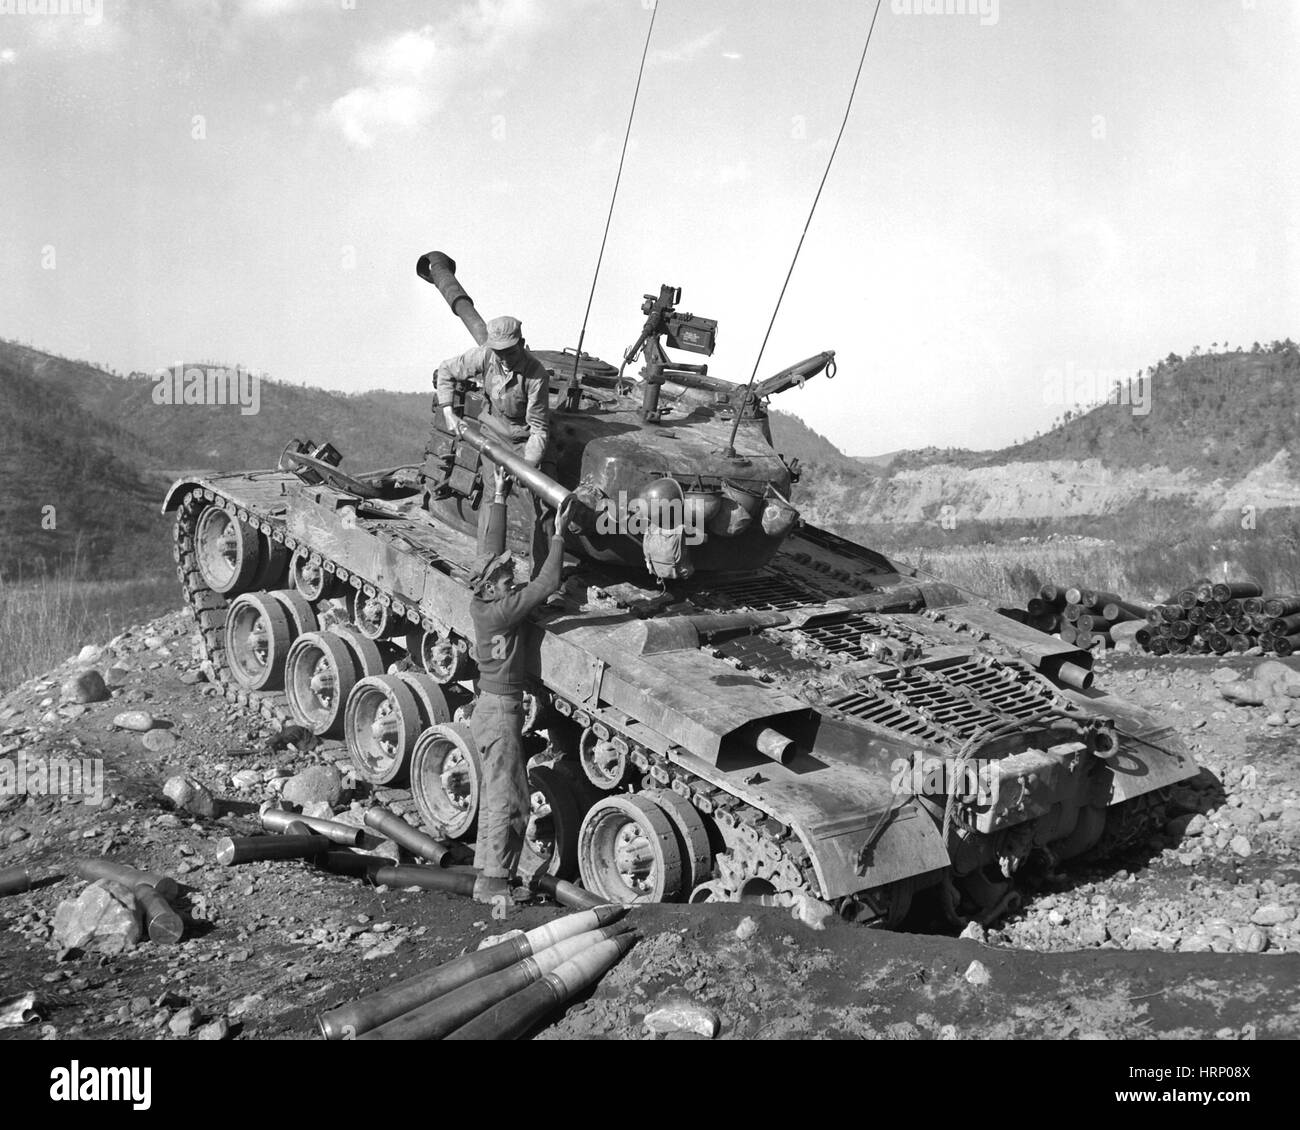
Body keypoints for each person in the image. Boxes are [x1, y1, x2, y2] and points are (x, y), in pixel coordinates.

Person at [465, 496, 572, 910]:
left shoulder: (485, 602)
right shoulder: (504, 612)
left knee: (497, 797)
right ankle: (496, 883)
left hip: (489, 708)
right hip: (500, 711)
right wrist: (559, 536)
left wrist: (497, 495)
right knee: (511, 800)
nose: (516, 582)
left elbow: (486, 552)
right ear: (492, 588)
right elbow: (546, 585)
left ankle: (485, 875)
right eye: (508, 579)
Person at [434, 315, 553, 563]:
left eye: (509, 351)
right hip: (492, 437)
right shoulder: (486, 356)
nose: (503, 357)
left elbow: (539, 428)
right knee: (491, 497)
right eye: (498, 351)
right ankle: (486, 565)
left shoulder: (536, 375)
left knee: (537, 508)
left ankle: (541, 578)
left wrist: (527, 466)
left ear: (521, 344)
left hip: (522, 442)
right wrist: (448, 411)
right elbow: (446, 369)